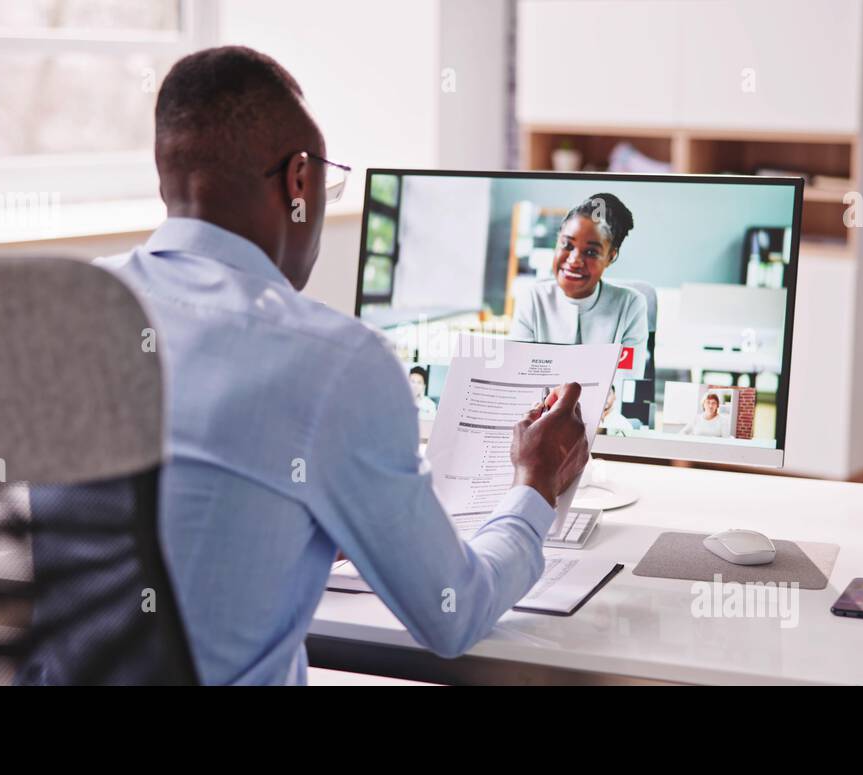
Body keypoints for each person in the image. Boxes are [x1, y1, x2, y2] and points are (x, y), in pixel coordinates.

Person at [95, 47, 589, 685]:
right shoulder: (331, 361)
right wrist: (536, 481)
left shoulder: (62, 310)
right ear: (299, 182)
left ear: (168, 178)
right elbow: (453, 614)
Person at [509, 193, 649, 378]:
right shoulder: (533, 299)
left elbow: (627, 379)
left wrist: (611, 393)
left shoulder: (630, 304)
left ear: (611, 256)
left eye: (591, 252)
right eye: (567, 245)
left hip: (605, 408)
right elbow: (517, 373)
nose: (574, 261)